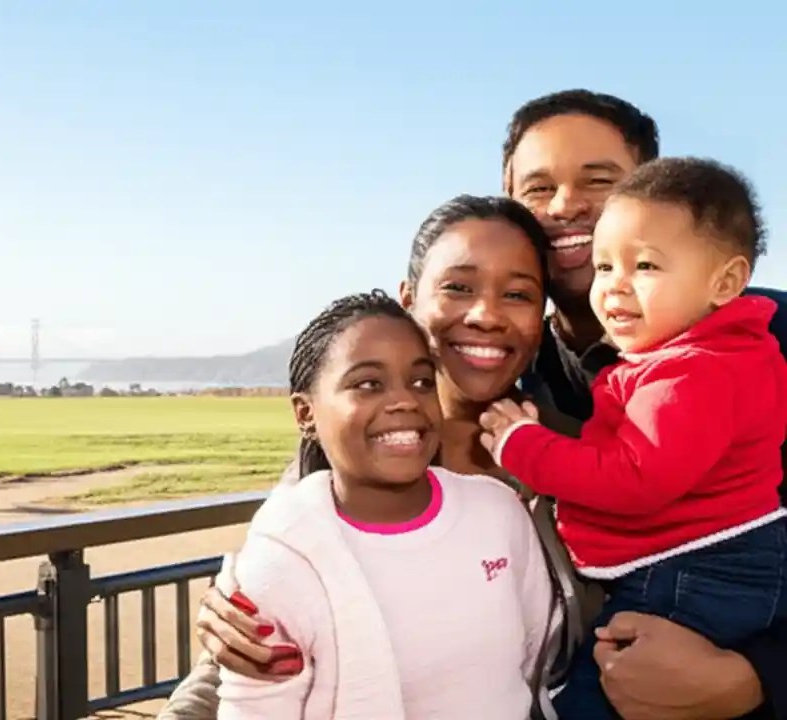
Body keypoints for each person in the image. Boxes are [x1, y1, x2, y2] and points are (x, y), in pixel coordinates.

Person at [163, 90, 787, 720]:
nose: (566, 205)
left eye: (598, 180)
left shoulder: (747, 350)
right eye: (539, 187)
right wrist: (236, 609)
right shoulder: (385, 442)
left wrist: (755, 678)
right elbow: (248, 648)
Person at [164, 192, 576, 718]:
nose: (487, 315)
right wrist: (231, 613)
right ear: (409, 300)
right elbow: (249, 659)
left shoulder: (585, 457)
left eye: (518, 294)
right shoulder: (328, 481)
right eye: (457, 287)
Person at [481, 156, 787, 718]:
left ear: (726, 281)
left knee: (602, 693)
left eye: (645, 265)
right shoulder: (715, 353)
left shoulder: (693, 372)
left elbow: (635, 477)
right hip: (708, 566)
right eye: (603, 266)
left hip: (695, 573)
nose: (615, 286)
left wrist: (524, 445)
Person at [215, 289, 558, 719]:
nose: (404, 401)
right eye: (368, 384)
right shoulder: (281, 562)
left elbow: (535, 656)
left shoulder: (498, 512)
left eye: (420, 381)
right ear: (305, 413)